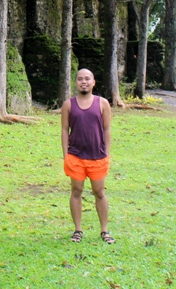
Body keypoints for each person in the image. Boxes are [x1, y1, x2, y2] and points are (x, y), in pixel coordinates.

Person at [61, 68, 114, 244]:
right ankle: (77, 230)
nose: (84, 82)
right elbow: (64, 130)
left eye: (87, 79)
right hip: (75, 156)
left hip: (97, 156)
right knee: (76, 191)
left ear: (93, 82)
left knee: (99, 192)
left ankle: (104, 231)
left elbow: (107, 129)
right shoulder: (68, 104)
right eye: (80, 79)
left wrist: (106, 153)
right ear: (75, 82)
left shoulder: (102, 103)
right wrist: (65, 154)